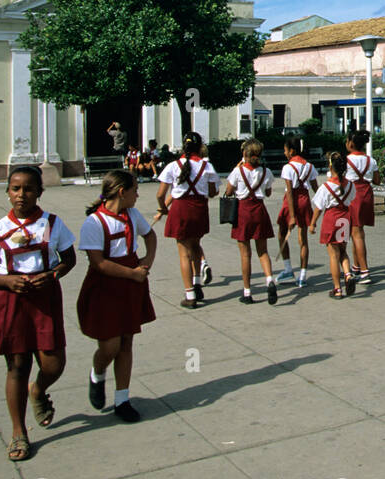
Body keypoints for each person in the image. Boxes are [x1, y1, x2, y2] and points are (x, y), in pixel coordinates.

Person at [0, 165, 77, 461]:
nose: (21, 195)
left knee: (54, 363)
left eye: (28, 189)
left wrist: (53, 274)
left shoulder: (52, 224)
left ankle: (38, 390)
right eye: (15, 189)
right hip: (10, 302)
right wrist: (7, 281)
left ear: (40, 192)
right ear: (7, 192)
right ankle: (19, 432)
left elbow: (68, 259)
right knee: (17, 365)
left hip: (44, 300)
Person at [76, 170, 156, 422]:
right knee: (109, 345)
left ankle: (122, 398)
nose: (138, 194)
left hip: (131, 282)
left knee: (127, 342)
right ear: (122, 192)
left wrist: (146, 261)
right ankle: (97, 373)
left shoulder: (132, 214)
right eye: (135, 190)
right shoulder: (94, 222)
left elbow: (150, 236)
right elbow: (98, 263)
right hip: (106, 286)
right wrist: (132, 274)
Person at [155, 131, 218, 309]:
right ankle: (197, 283)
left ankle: (189, 294)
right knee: (196, 246)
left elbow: (160, 194)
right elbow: (213, 192)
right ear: (200, 147)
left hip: (180, 208)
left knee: (184, 252)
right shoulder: (207, 166)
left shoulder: (173, 166)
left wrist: (163, 208)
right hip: (199, 208)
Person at [225, 138, 278, 304]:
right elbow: (268, 192)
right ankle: (270, 279)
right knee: (263, 251)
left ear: (244, 154)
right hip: (259, 210)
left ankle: (247, 292)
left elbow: (228, 191)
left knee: (245, 254)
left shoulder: (238, 172)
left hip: (243, 210)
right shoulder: (265, 171)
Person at [310, 152, 356, 299]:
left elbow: (318, 208)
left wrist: (312, 223)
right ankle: (348, 274)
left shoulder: (326, 187)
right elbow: (352, 198)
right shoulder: (350, 185)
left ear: (331, 167)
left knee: (333, 255)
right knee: (343, 251)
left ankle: (337, 288)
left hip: (332, 219)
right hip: (345, 219)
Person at [276, 135, 317, 287]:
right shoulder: (310, 166)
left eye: (286, 150)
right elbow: (315, 188)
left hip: (291, 202)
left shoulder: (288, 167)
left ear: (292, 151)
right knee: (303, 238)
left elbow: (289, 192)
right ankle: (303, 275)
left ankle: (288, 269)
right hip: (305, 200)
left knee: (282, 233)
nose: (285, 153)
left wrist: (292, 216)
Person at [344, 129, 379, 285]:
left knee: (357, 234)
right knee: (357, 231)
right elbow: (377, 180)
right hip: (367, 194)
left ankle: (365, 271)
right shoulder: (371, 160)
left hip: (353, 195)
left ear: (351, 143)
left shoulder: (346, 160)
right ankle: (356, 267)